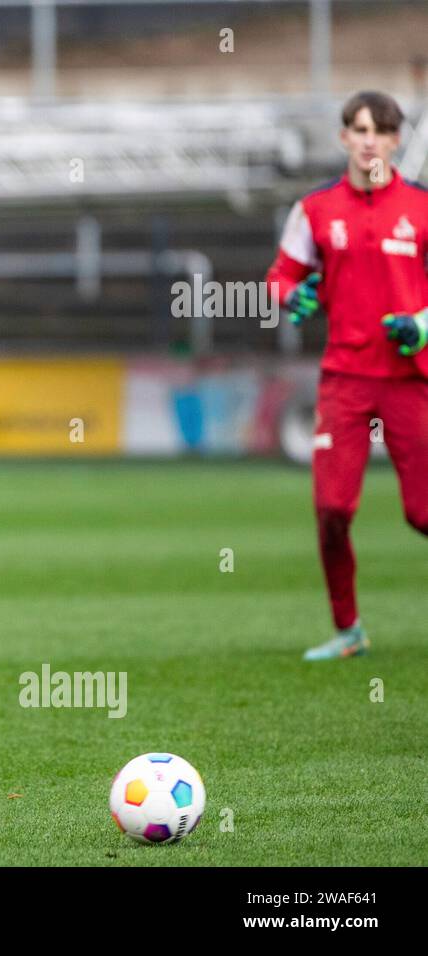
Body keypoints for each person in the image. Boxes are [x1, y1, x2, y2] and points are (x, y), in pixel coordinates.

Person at [266, 90, 428, 661]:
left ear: (395, 140)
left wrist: (423, 327)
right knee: (332, 510)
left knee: (423, 513)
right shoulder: (315, 210)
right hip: (344, 380)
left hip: (409, 378)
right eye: (358, 129)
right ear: (344, 138)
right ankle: (348, 630)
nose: (368, 139)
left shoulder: (422, 210)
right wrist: (293, 297)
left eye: (379, 130)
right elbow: (280, 277)